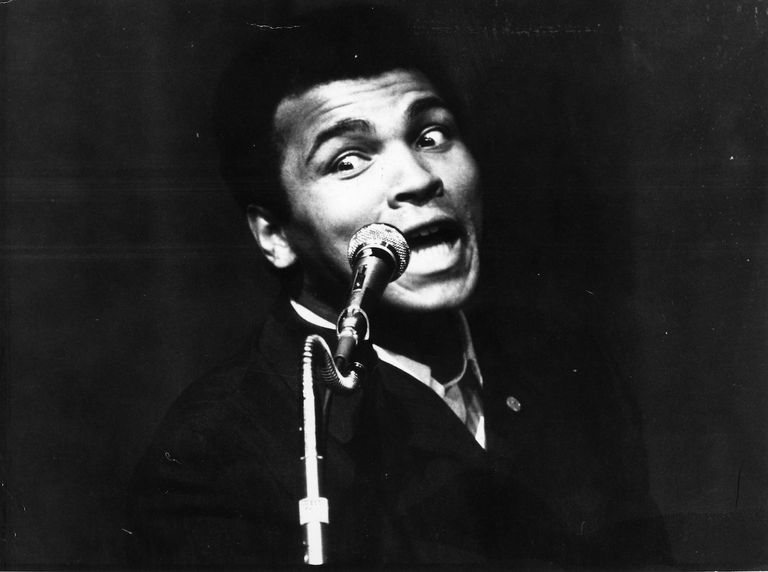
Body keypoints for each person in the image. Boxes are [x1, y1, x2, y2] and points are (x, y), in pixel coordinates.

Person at [128, 5, 671, 568]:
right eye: (348, 161)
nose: (417, 178)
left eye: (431, 135)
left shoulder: (569, 366)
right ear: (274, 235)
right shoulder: (216, 450)